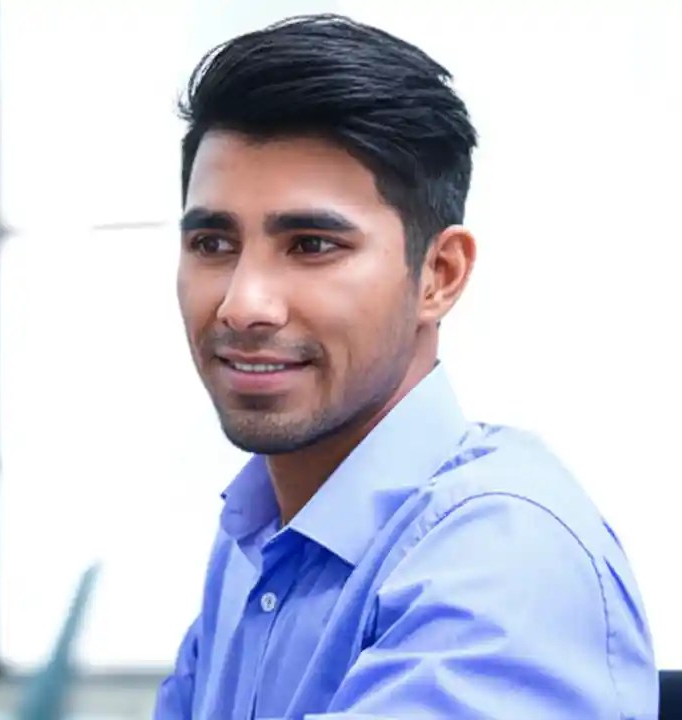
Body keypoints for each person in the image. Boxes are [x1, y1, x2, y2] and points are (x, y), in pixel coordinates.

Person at [157, 13, 656, 719]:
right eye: (212, 242)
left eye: (310, 245)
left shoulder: (504, 564)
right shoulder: (259, 535)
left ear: (439, 276)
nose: (243, 305)